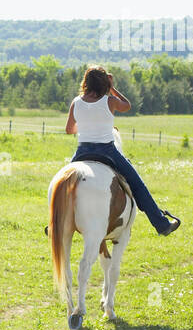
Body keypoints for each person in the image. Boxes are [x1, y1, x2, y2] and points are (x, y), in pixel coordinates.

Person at [66, 66, 180, 235]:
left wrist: (86, 126)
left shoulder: (76, 102)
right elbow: (127, 105)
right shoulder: (110, 101)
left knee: (62, 187)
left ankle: (54, 224)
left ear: (86, 83)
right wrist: (112, 89)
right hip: (107, 151)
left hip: (82, 152)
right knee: (138, 184)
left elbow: (69, 129)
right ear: (104, 83)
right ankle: (162, 225)